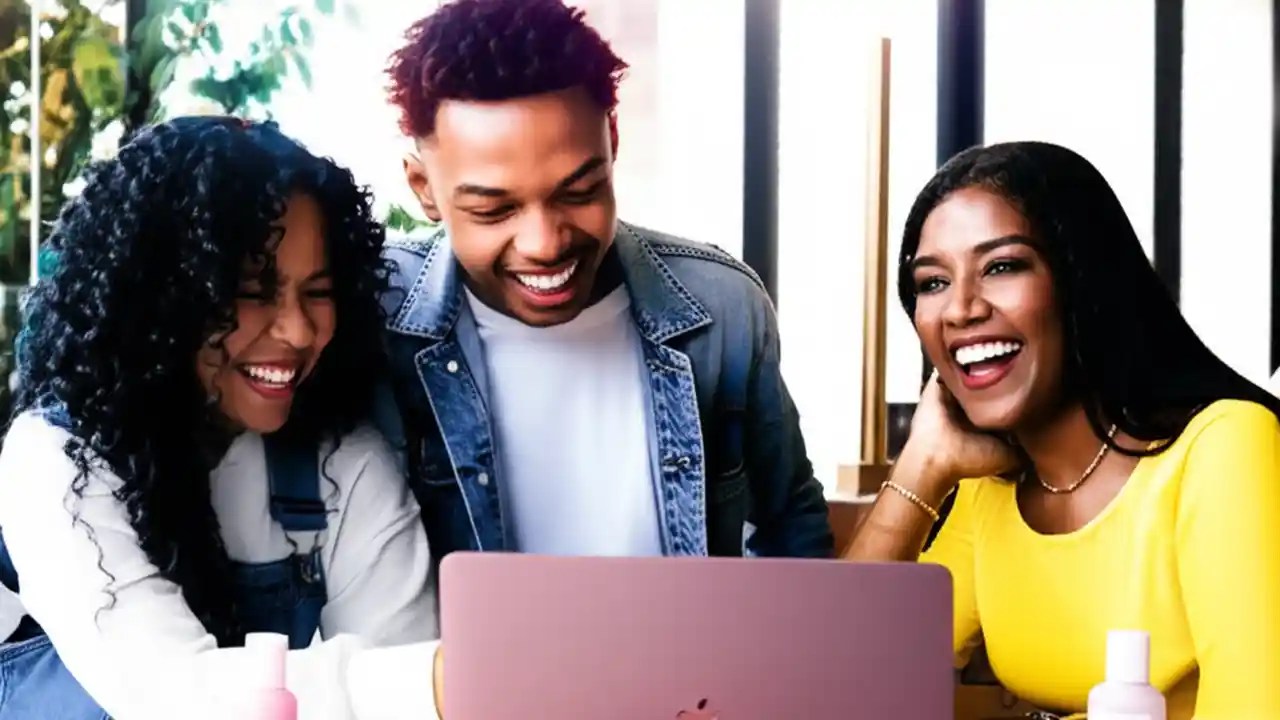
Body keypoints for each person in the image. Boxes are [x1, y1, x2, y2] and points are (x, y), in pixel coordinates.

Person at [0, 117, 442, 720]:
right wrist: (428, 683)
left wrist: (425, 684)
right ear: (161, 299)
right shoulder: (57, 461)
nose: (298, 330)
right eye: (253, 292)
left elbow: (405, 671)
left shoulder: (342, 466)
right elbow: (174, 697)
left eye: (317, 291)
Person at [375, 0, 832, 565]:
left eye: (579, 192)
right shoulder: (373, 315)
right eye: (494, 211)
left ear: (612, 140)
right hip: (467, 660)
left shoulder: (721, 310)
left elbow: (790, 523)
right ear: (423, 188)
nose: (544, 243)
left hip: (684, 656)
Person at [843, 141, 1280, 719]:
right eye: (931, 282)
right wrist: (923, 467)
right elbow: (832, 681)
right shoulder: (988, 491)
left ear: (1081, 280)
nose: (960, 309)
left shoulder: (1225, 446)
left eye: (1002, 266)